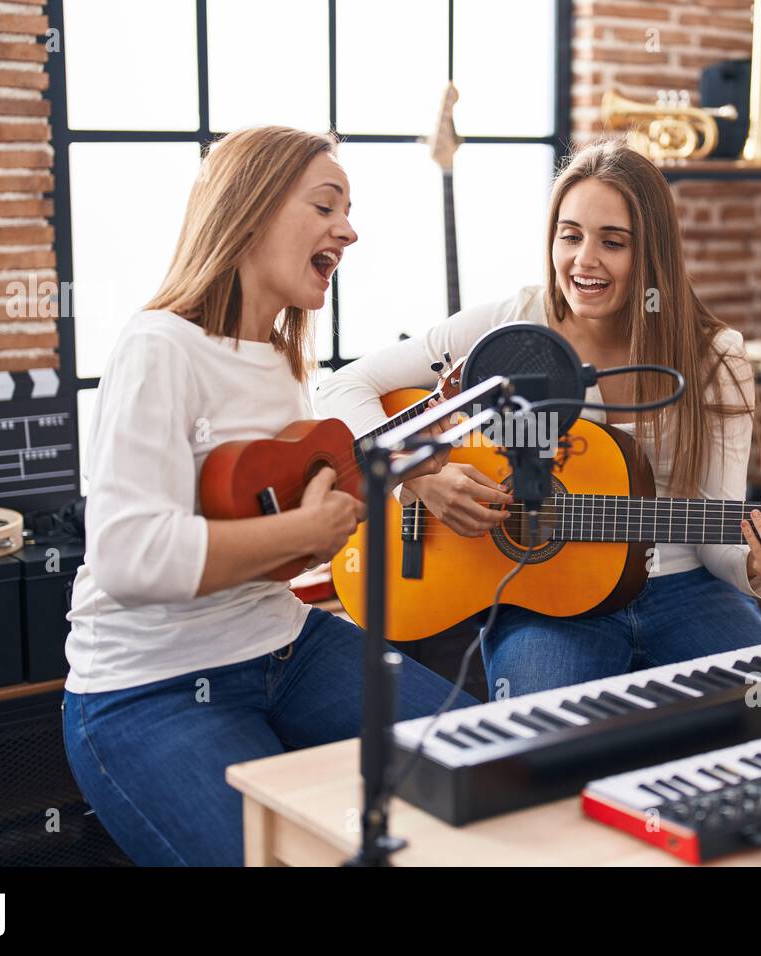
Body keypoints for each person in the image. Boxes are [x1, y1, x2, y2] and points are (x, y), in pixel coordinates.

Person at [62, 126, 475, 867]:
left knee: (485, 758)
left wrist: (343, 520)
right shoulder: (158, 346)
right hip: (147, 688)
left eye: (346, 211)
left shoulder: (285, 363)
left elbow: (286, 537)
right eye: (325, 206)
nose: (348, 230)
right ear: (249, 210)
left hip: (288, 646)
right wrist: (303, 533)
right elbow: (128, 557)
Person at [316, 139, 761, 698]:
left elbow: (717, 533)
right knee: (536, 747)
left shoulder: (715, 357)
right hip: (545, 602)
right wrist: (420, 478)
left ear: (653, 253)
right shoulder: (509, 323)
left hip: (686, 591)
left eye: (613, 242)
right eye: (570, 235)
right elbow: (338, 386)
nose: (585, 261)